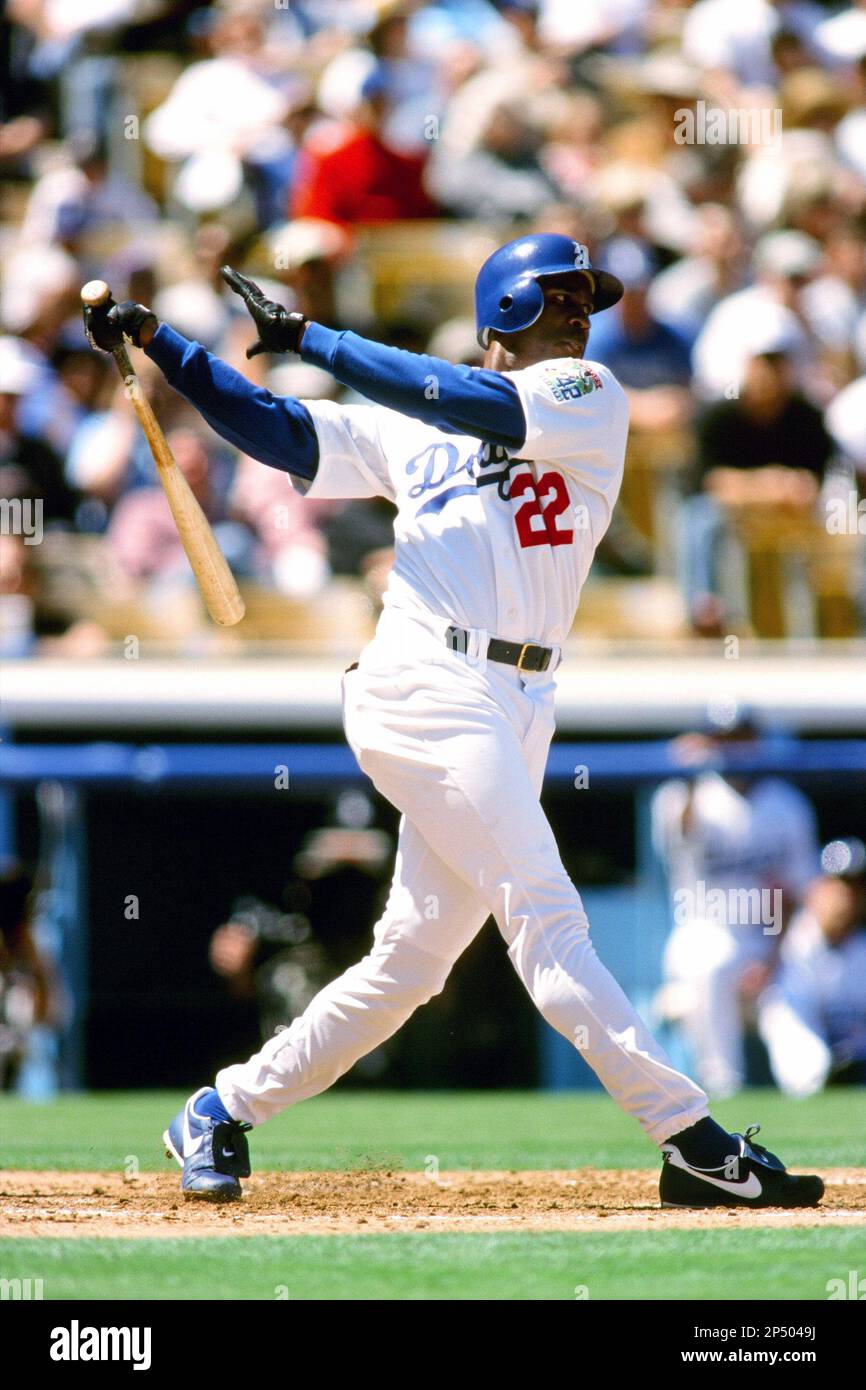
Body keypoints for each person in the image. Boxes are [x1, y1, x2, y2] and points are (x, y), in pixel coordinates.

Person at [83, 231, 824, 1210]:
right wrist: (163, 345)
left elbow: (461, 399)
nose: (580, 311)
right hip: (423, 680)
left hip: (519, 699)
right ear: (504, 309)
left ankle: (217, 1110)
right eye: (560, 294)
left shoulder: (584, 393)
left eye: (585, 297)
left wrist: (316, 337)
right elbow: (271, 426)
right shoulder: (406, 430)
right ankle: (690, 1137)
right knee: (549, 927)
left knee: (409, 964)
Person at [652, 707, 819, 1097]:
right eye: (723, 739)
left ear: (757, 741)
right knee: (712, 963)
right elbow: (680, 831)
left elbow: (797, 892)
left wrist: (772, 960)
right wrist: (690, 773)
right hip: (703, 931)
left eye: (741, 738)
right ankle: (722, 1087)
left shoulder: (786, 803)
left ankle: (814, 1088)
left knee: (794, 1009)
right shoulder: (682, 796)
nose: (734, 748)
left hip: (770, 939)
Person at [757, 838, 866, 1095]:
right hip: (812, 1041)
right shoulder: (789, 940)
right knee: (779, 1008)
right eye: (838, 885)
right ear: (816, 888)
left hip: (855, 1045)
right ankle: (818, 1079)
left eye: (855, 888)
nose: (845, 897)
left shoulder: (860, 944)